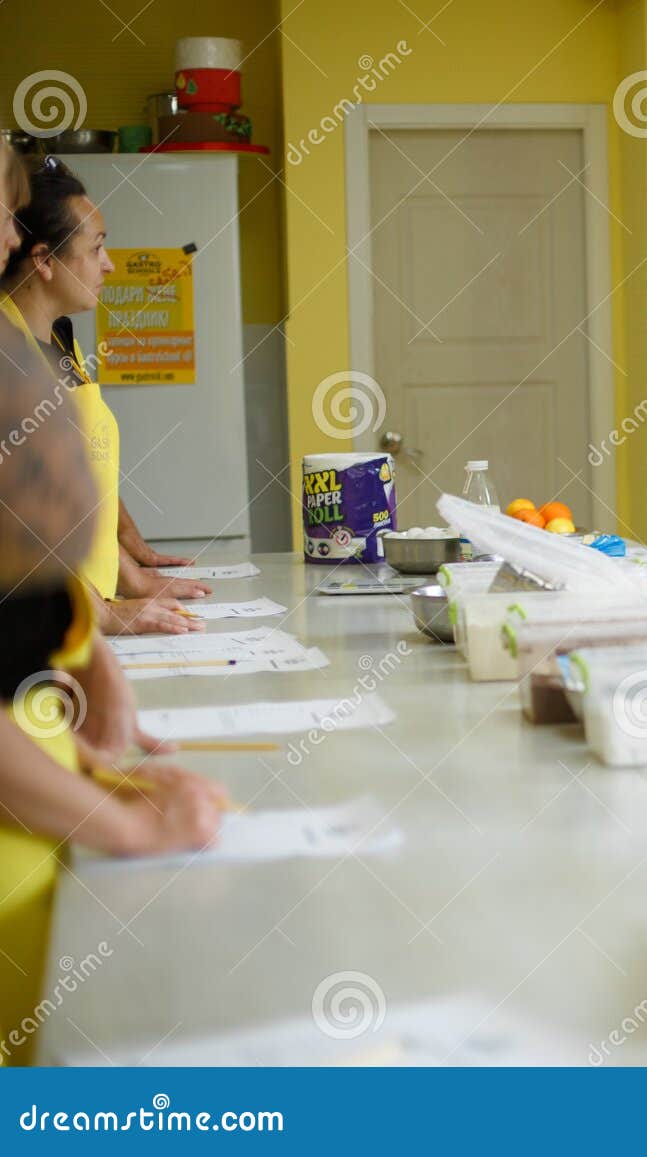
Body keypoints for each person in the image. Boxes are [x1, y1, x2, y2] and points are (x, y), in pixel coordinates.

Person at [0, 146, 223, 1065]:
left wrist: (87, 641)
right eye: (1, 210)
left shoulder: (24, 350)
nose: (10, 233)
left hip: (33, 820)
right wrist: (127, 821)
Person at [0, 155, 210, 635]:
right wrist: (104, 613)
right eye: (97, 249)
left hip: (86, 617)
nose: (109, 265)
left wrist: (128, 576)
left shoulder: (59, 341)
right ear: (44, 260)